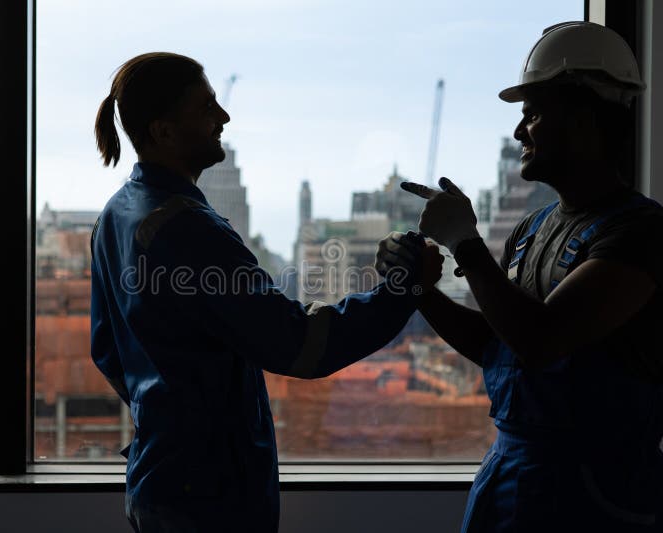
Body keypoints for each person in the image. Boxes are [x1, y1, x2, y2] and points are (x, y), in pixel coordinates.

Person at [90, 52, 442, 532]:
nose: (224, 117)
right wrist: (404, 288)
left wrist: (166, 415)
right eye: (205, 107)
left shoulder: (116, 215)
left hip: (157, 476)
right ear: (162, 131)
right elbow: (300, 344)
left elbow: (107, 350)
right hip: (208, 494)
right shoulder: (187, 230)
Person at [377, 21, 663, 532]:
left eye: (532, 115)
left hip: (598, 495)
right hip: (511, 471)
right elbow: (501, 345)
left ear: (583, 118)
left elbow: (542, 339)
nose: (518, 132)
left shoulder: (642, 233)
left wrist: (465, 243)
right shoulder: (532, 230)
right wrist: (419, 290)